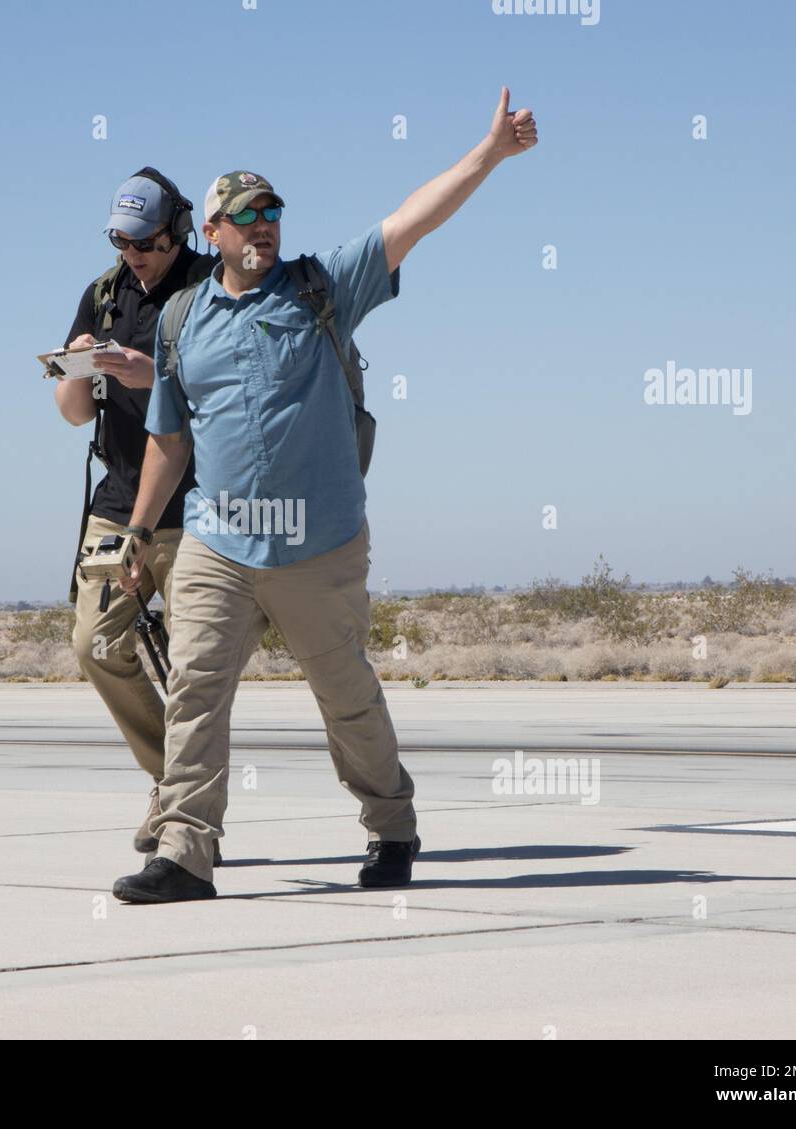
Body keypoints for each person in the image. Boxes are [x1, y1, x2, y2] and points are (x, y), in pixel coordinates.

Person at [111, 89, 539, 903]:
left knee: (345, 697)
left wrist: (488, 155)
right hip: (219, 539)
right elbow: (170, 441)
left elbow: (413, 219)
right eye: (245, 214)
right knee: (196, 691)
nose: (264, 223)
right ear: (214, 233)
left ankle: (392, 825)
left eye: (272, 209)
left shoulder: (322, 287)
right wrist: (137, 534)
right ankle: (186, 852)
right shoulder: (179, 322)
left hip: (320, 542)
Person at [53, 168, 216, 858]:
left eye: (145, 241)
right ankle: (166, 775)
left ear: (176, 228)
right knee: (95, 645)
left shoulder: (213, 289)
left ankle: (185, 811)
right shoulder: (103, 294)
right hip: (117, 503)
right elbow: (71, 413)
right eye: (121, 240)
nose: (133, 253)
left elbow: (219, 377)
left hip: (198, 502)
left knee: (194, 665)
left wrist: (145, 369)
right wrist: (81, 368)